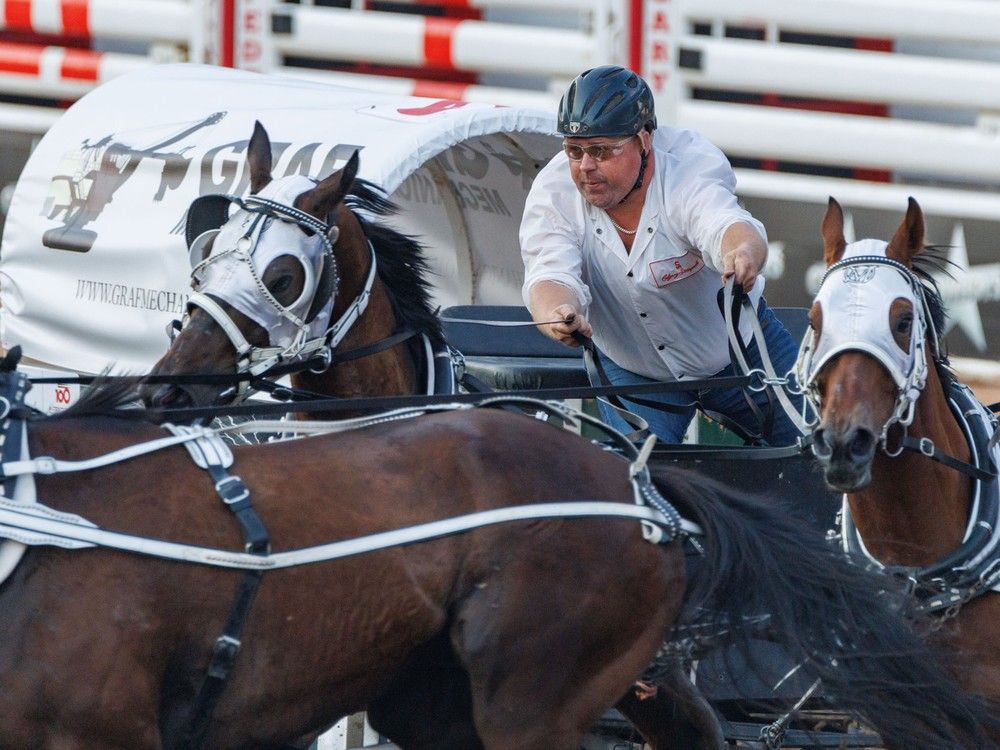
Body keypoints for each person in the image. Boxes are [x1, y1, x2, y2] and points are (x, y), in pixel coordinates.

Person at [520, 65, 805, 445]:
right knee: (630, 475)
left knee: (818, 453)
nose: (586, 167)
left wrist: (741, 254)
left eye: (601, 151)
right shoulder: (554, 190)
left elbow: (725, 224)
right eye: (574, 151)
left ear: (644, 140)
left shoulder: (686, 165)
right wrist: (558, 315)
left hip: (742, 352)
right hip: (634, 371)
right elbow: (548, 273)